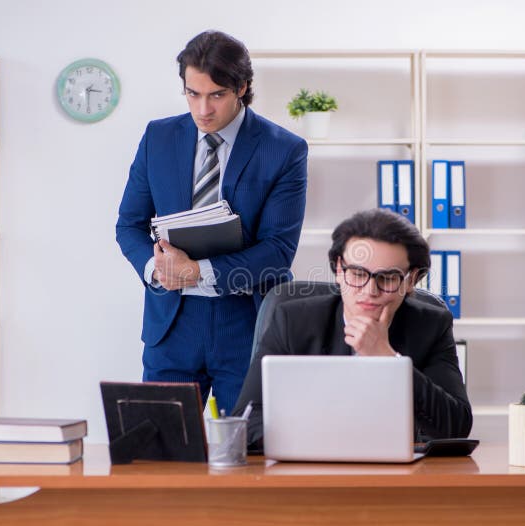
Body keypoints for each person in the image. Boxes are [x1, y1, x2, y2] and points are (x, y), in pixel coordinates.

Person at [116, 30, 308, 414]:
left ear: (242, 88)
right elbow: (129, 224)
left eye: (216, 95)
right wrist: (159, 269)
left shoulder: (284, 149)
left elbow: (278, 251)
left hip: (245, 321)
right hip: (171, 324)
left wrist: (197, 271)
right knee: (161, 453)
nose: (203, 109)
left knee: (250, 457)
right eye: (193, 93)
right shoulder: (159, 137)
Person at [233, 209, 472, 450]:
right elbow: (246, 422)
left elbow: (455, 426)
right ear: (339, 269)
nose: (370, 291)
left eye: (387, 278)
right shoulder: (293, 321)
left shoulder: (431, 326)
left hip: (397, 477)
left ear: (411, 280)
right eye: (358, 274)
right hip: (312, 469)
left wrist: (388, 359)